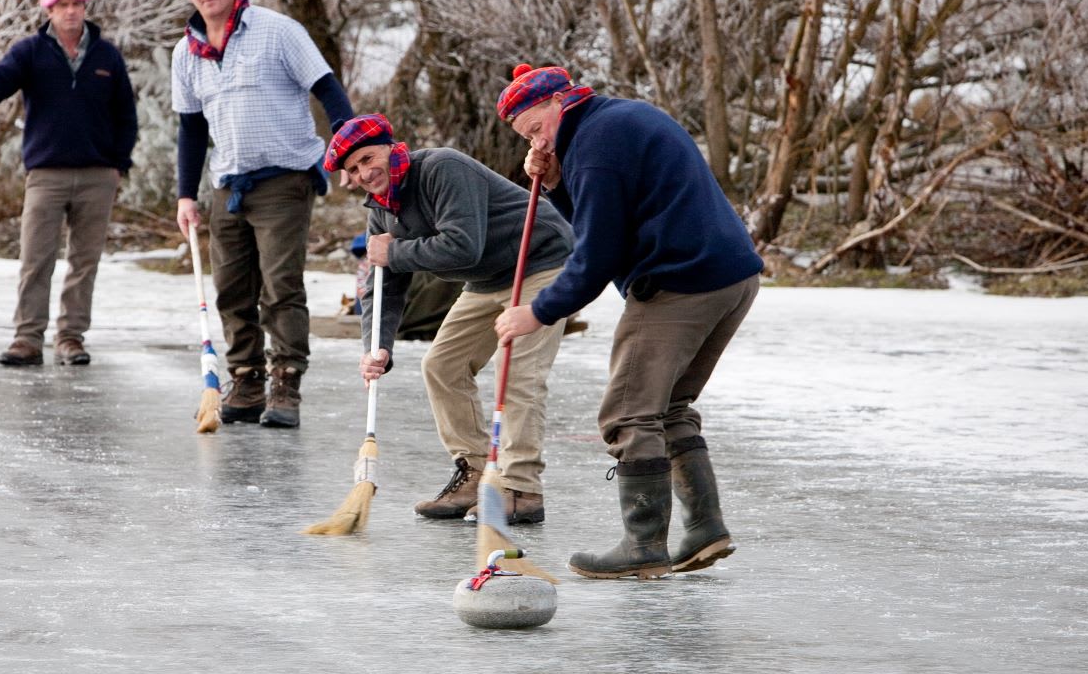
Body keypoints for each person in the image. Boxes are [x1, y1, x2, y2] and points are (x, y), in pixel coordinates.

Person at [492, 63, 763, 579]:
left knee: (628, 413)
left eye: (535, 129)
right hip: (731, 276)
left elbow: (596, 254)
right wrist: (553, 179)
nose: (536, 141)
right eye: (527, 137)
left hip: (681, 282)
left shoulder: (595, 147)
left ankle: (642, 547)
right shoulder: (613, 122)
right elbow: (603, 220)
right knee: (669, 406)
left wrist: (538, 311)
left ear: (558, 103)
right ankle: (706, 529)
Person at [325, 114, 574, 524]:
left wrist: (395, 252)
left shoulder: (442, 167)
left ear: (389, 147)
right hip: (487, 278)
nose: (365, 172)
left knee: (519, 375)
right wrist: (377, 347)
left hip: (539, 262)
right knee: (442, 366)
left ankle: (521, 489)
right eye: (353, 169)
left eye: (368, 158)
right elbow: (382, 285)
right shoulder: (382, 210)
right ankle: (476, 471)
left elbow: (463, 247)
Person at [170, 0, 353, 428]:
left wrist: (353, 145)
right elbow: (191, 129)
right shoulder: (185, 53)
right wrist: (186, 194)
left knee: (280, 286)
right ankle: (246, 378)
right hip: (226, 182)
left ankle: (286, 382)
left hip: (284, 176)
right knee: (231, 287)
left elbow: (326, 88)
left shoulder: (277, 31)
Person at [0, 0, 137, 367]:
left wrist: (118, 163)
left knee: (84, 261)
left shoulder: (107, 55)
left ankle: (71, 337)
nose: (70, 12)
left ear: (85, 9)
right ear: (50, 11)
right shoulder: (31, 52)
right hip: (46, 174)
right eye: (62, 6)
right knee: (37, 257)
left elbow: (126, 115)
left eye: (76, 5)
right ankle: (28, 338)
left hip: (98, 174)